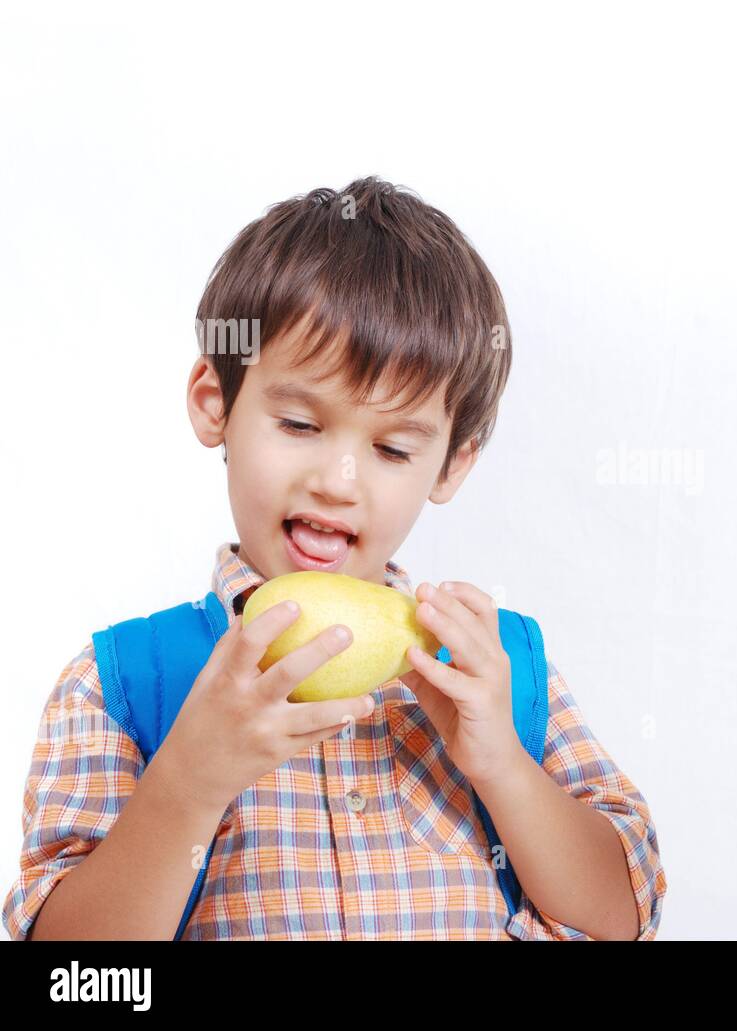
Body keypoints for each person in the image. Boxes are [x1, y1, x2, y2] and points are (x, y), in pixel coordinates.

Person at [3, 177, 667, 940]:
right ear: (215, 401)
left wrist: (504, 766)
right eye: (297, 422)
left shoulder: (500, 673)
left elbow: (622, 916)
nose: (337, 481)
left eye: (391, 447)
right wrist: (189, 781)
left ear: (452, 465)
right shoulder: (120, 686)